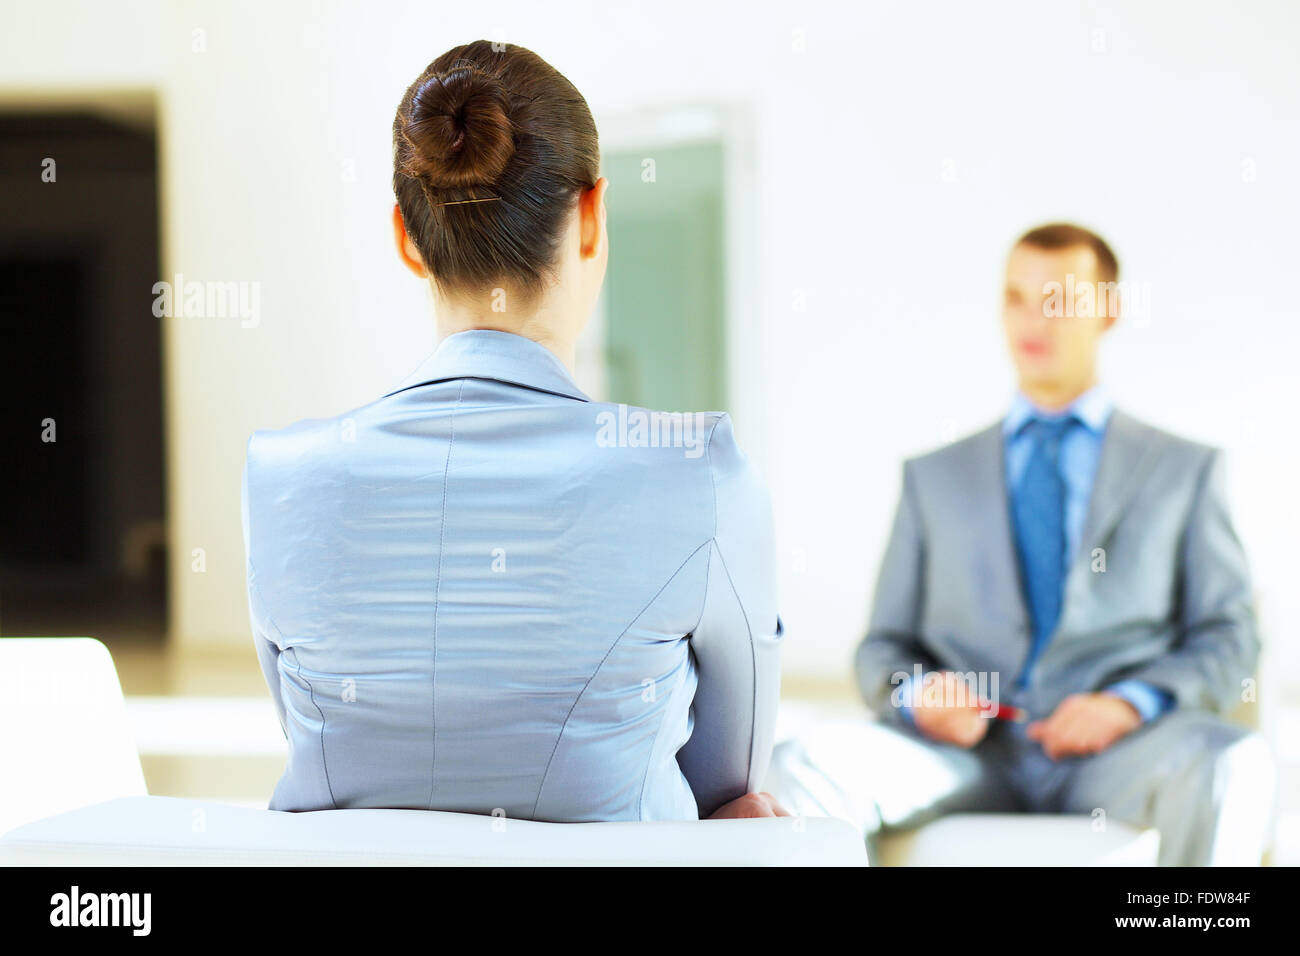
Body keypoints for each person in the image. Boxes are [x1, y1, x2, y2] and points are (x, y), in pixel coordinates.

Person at [241, 41, 786, 823]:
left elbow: (335, 751)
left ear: (406, 237)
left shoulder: (278, 475)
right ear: (592, 217)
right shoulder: (703, 472)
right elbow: (728, 789)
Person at [768, 223, 1269, 865]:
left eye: (1059, 299)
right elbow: (881, 649)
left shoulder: (1185, 470)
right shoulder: (934, 478)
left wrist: (1126, 703)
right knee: (803, 762)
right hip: (966, 758)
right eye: (1017, 297)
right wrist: (919, 694)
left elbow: (1229, 635)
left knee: (1234, 761)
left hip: (1122, 754)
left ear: (1108, 310)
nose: (1035, 320)